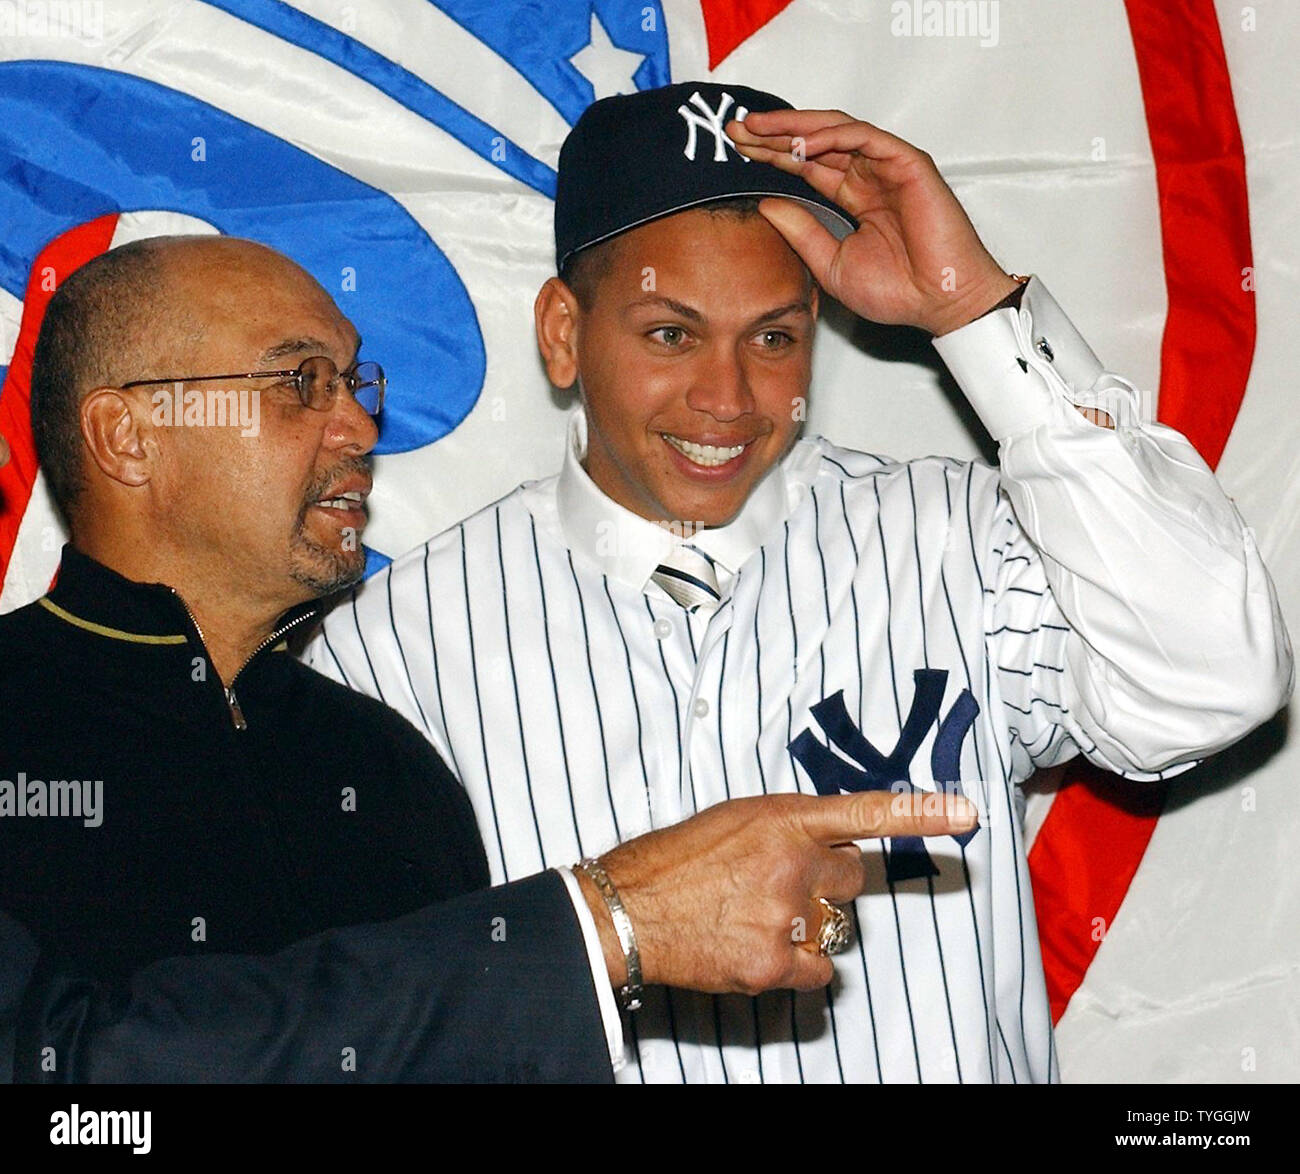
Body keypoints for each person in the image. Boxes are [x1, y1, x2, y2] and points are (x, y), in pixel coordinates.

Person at [307, 82, 1293, 1084]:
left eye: (773, 337)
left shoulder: (957, 537)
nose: (726, 399)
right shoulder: (397, 645)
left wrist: (968, 309)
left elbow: (1212, 682)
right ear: (563, 332)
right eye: (669, 332)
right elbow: (365, 1018)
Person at [0, 234, 975, 1083]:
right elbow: (66, 1069)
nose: (358, 427)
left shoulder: (384, 764)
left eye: (353, 381)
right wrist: (606, 923)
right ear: (129, 436)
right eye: (301, 382)